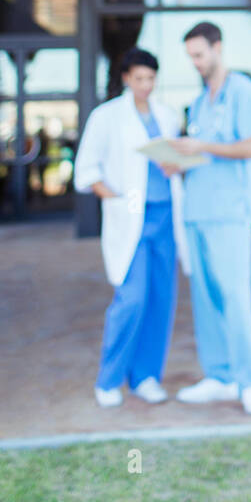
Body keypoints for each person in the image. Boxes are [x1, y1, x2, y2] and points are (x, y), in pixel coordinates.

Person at [73, 47, 190, 408]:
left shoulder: (167, 116)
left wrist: (178, 165)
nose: (145, 85)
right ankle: (109, 380)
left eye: (151, 78)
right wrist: (114, 198)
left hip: (166, 219)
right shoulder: (106, 116)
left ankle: (146, 378)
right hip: (131, 220)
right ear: (126, 78)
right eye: (139, 78)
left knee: (161, 299)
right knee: (132, 298)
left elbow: (176, 162)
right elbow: (86, 171)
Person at [170, 23, 251, 415]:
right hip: (197, 210)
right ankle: (219, 376)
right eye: (190, 57)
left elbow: (248, 147)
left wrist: (201, 146)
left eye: (199, 54)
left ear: (217, 48)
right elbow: (202, 154)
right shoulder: (198, 102)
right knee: (206, 298)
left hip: (230, 213)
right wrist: (177, 162)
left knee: (234, 297)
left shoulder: (242, 91)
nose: (195, 63)